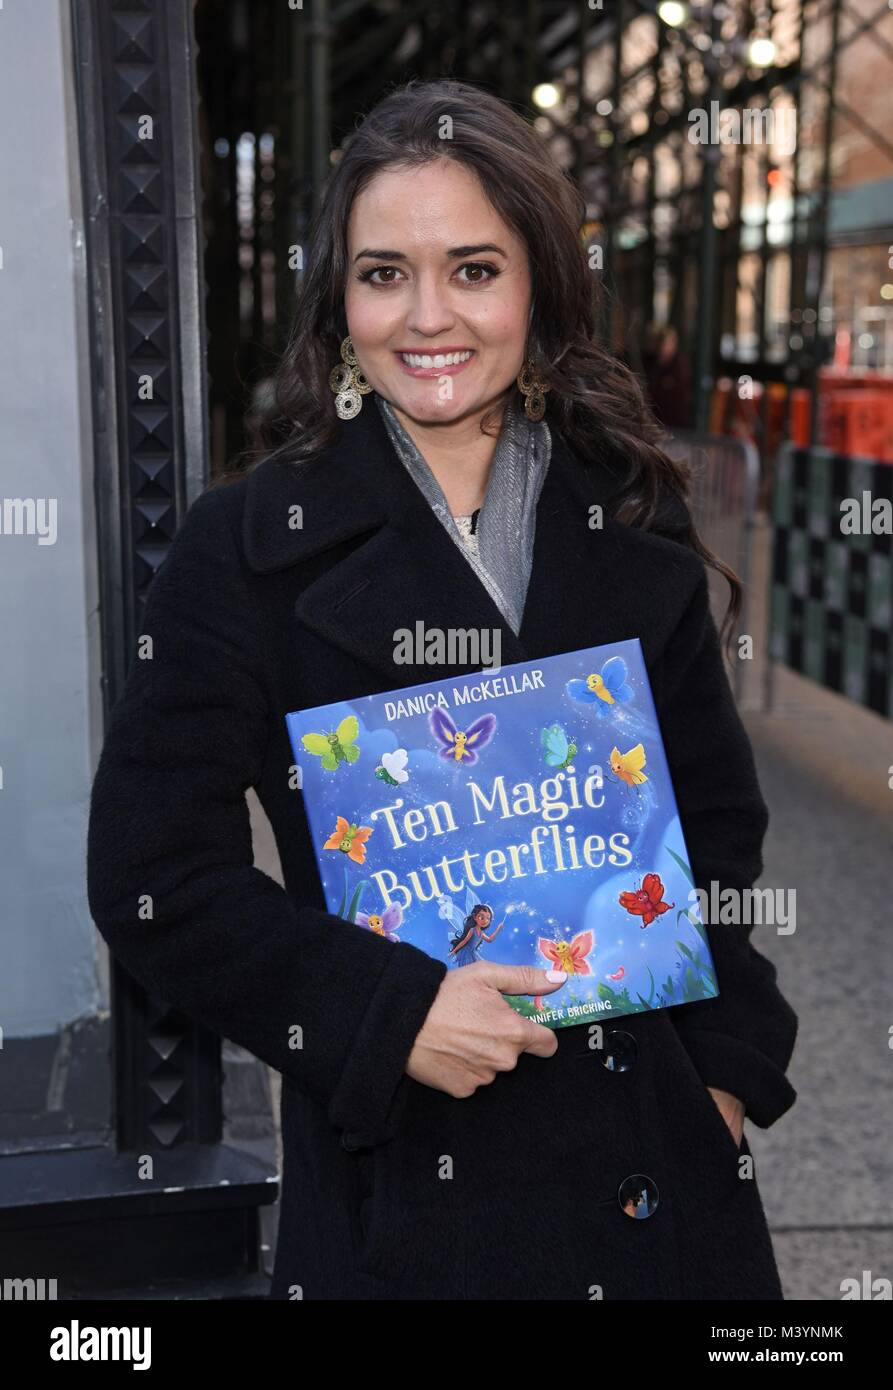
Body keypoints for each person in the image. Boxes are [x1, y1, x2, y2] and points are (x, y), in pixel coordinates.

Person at [86, 79, 798, 1301]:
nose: (426, 317)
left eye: (472, 270)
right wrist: (380, 1014)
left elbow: (714, 831)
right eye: (383, 273)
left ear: (537, 285)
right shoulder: (247, 545)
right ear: (339, 298)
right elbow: (151, 873)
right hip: (407, 1190)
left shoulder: (628, 512)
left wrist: (720, 1082)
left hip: (659, 1192)